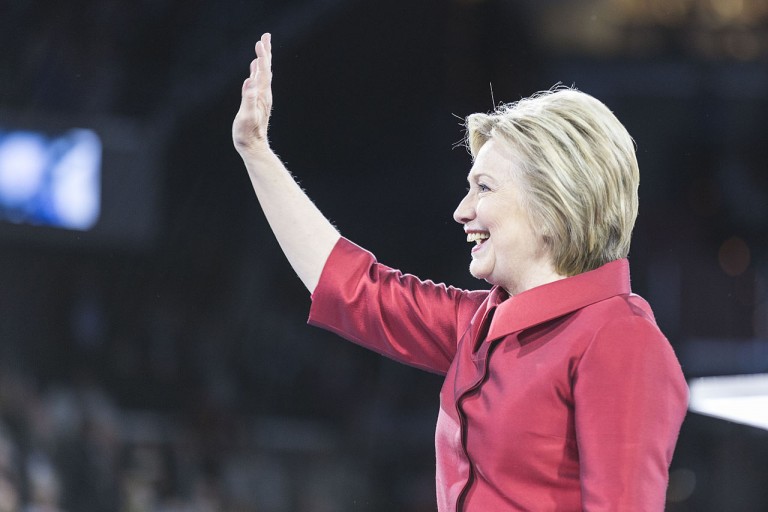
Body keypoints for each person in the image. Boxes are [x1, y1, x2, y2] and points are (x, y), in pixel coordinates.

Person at [232, 33, 688, 511]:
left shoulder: (620, 339)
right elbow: (353, 288)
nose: (462, 210)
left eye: (484, 188)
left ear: (553, 208)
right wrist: (256, 151)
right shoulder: (480, 326)